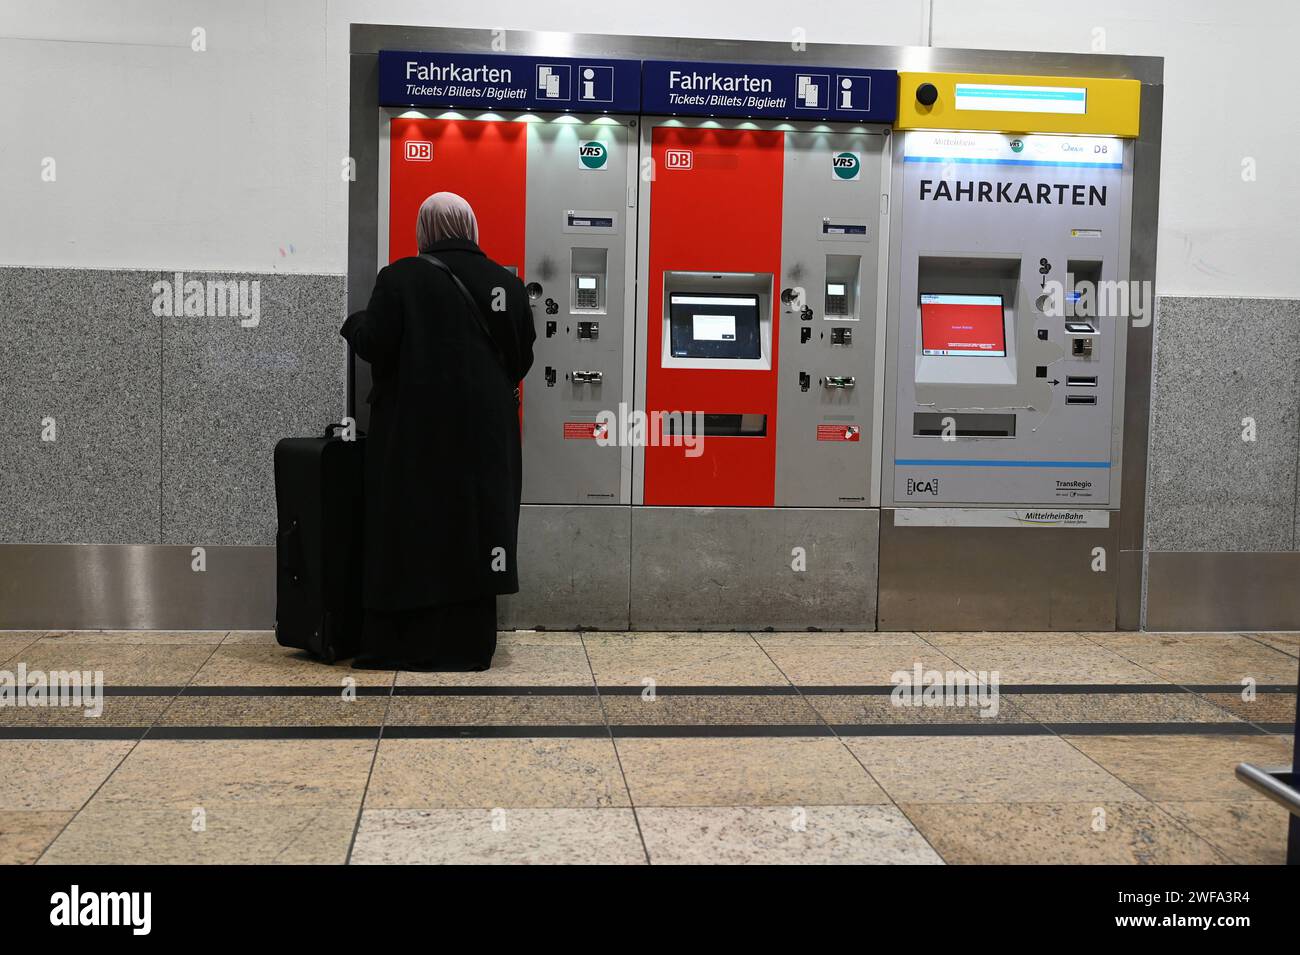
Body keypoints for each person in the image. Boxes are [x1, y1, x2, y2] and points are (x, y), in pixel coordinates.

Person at [341, 192, 535, 670]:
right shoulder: (505, 284)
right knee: (474, 527)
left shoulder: (400, 277)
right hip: (486, 437)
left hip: (415, 436)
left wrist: (355, 322)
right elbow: (523, 357)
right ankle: (469, 647)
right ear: (470, 227)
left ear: (424, 231)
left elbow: (375, 344)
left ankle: (402, 645)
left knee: (414, 527)